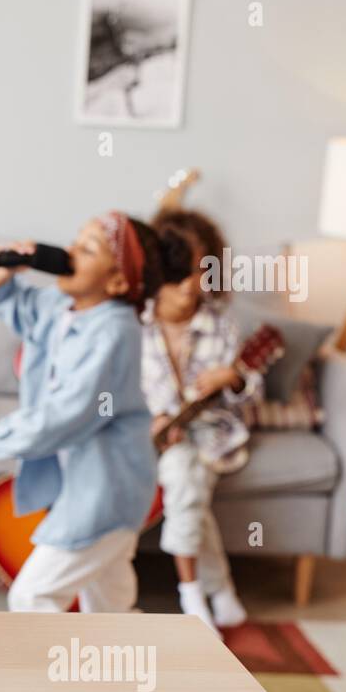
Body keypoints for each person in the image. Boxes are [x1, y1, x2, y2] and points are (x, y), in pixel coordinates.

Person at [0, 212, 161, 614]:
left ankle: (47, 673)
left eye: (89, 248)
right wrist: (7, 269)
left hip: (106, 488)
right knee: (110, 605)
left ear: (117, 281)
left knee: (33, 596)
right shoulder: (62, 305)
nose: (71, 250)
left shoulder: (114, 331)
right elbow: (8, 302)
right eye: (76, 240)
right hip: (91, 486)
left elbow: (66, 415)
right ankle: (129, 668)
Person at [142, 209, 260, 632]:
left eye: (202, 271)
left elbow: (251, 392)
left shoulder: (220, 326)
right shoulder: (133, 324)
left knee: (183, 478)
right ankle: (222, 592)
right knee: (188, 488)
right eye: (182, 274)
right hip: (150, 436)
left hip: (210, 432)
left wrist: (233, 378)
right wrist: (152, 416)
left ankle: (190, 593)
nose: (193, 285)